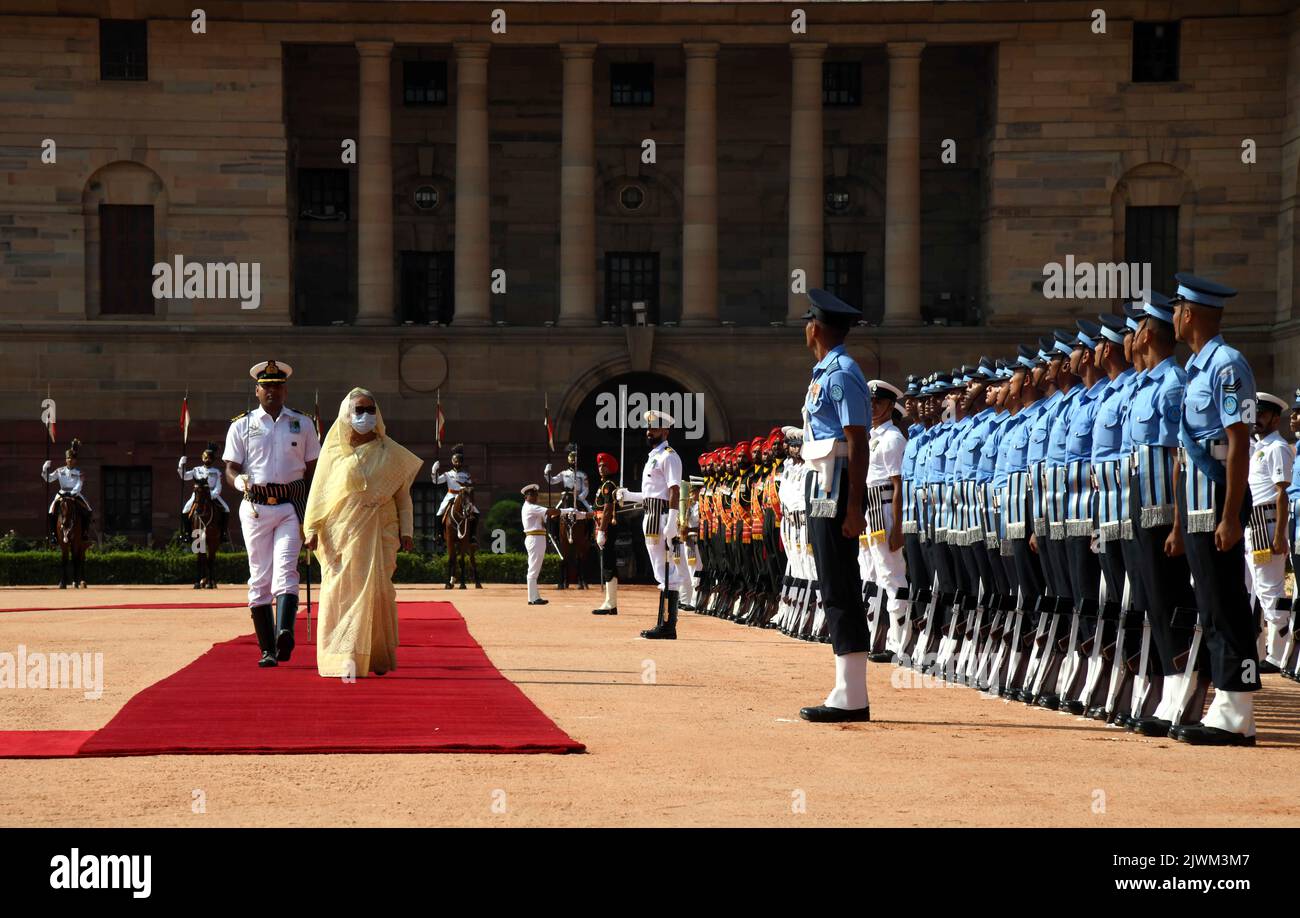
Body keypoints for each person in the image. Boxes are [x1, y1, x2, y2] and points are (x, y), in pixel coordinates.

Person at [1169, 273, 1261, 746]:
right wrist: (1183, 520)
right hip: (1198, 500)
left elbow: (1238, 441)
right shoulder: (1198, 369)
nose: (1175, 318)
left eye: (1178, 309)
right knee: (1210, 603)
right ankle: (1225, 706)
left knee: (1227, 604)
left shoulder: (1227, 366)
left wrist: (1230, 514)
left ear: (1189, 314)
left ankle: (1238, 711)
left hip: (1219, 502)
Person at [302, 388, 422, 678]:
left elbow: (403, 497)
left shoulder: (391, 452)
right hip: (339, 533)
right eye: (359, 410)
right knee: (340, 593)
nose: (365, 415)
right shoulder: (333, 453)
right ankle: (342, 658)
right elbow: (318, 495)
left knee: (378, 591)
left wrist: (407, 530)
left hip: (382, 530)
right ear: (347, 414)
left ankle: (375, 656)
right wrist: (312, 528)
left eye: (370, 410)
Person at [794, 289, 872, 723]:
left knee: (840, 583)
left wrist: (854, 507)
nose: (806, 327)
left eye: (809, 320)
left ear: (818, 328)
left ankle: (853, 693)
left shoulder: (842, 373)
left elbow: (858, 441)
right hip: (823, 486)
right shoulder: (825, 372)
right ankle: (847, 686)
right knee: (831, 582)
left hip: (837, 488)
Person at [224, 359, 321, 668]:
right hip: (254, 508)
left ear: (285, 390)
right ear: (257, 391)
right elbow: (230, 466)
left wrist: (314, 509)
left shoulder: (302, 423)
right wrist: (236, 480)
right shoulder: (242, 424)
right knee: (260, 577)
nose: (272, 392)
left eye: (277, 386)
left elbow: (312, 470)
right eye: (266, 387)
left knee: (286, 571)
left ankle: (285, 633)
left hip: (290, 507)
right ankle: (267, 649)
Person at [616, 409, 684, 639]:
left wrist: (673, 520)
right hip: (651, 515)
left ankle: (668, 625)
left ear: (665, 431)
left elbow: (674, 489)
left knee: (667, 572)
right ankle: (662, 623)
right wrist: (629, 496)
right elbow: (651, 494)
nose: (649, 432)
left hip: (663, 516)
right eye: (648, 428)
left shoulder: (669, 455)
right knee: (659, 570)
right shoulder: (654, 455)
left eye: (654, 429)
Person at [1244, 392, 1292, 672]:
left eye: (1261, 415)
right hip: (1253, 522)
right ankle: (1264, 648)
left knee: (1270, 589)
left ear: (1275, 417)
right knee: (1254, 591)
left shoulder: (1277, 447)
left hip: (1267, 523)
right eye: (1254, 414)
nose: (1256, 420)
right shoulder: (1258, 447)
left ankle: (1281, 653)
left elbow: (1281, 492)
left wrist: (1279, 534)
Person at [863, 380, 908, 661]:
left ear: (890, 406)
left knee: (892, 576)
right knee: (870, 575)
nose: (872, 407)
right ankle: (874, 636)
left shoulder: (892, 438)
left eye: (878, 402)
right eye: (869, 402)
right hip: (869, 509)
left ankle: (897, 643)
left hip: (885, 509)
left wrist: (898, 527)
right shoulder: (872, 437)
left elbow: (898, 484)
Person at [521, 484, 571, 605]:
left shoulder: (532, 507)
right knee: (533, 569)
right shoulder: (531, 507)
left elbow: (548, 517)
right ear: (526, 496)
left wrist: (551, 516)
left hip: (537, 537)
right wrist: (566, 511)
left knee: (534, 569)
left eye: (536, 494)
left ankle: (534, 597)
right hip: (534, 538)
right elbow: (550, 511)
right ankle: (532, 598)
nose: (535, 496)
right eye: (532, 494)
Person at [43, 439, 93, 541]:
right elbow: (49, 479)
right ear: (65, 460)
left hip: (75, 493)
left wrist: (73, 492)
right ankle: (53, 535)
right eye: (68, 458)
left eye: (72, 458)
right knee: (51, 511)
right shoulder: (60, 470)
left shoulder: (79, 472)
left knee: (88, 510)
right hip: (62, 493)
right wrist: (45, 469)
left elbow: (79, 484)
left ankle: (85, 532)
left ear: (75, 460)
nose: (70, 460)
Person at [591, 452, 623, 615]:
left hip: (606, 528)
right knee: (608, 563)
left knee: (608, 563)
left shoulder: (608, 485)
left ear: (610, 468)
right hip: (601, 525)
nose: (601, 468)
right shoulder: (603, 485)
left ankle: (610, 603)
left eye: (604, 466)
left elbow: (608, 509)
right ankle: (611, 602)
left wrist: (602, 531)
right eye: (599, 465)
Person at [178, 441, 230, 539]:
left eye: (209, 458)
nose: (207, 459)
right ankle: (187, 533)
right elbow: (184, 476)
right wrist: (181, 464)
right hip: (197, 495)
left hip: (212, 495)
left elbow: (218, 486)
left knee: (226, 509)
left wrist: (213, 494)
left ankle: (223, 533)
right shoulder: (196, 470)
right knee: (185, 510)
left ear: (213, 459)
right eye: (205, 457)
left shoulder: (216, 472)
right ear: (202, 458)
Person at [431, 444, 479, 544]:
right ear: (452, 462)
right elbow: (436, 481)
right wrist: (434, 470)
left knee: (476, 512)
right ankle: (439, 535)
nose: (458, 463)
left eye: (460, 461)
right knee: (439, 511)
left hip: (463, 496)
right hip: (451, 495)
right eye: (456, 461)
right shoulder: (448, 474)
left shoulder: (466, 475)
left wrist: (467, 488)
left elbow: (470, 487)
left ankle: (472, 535)